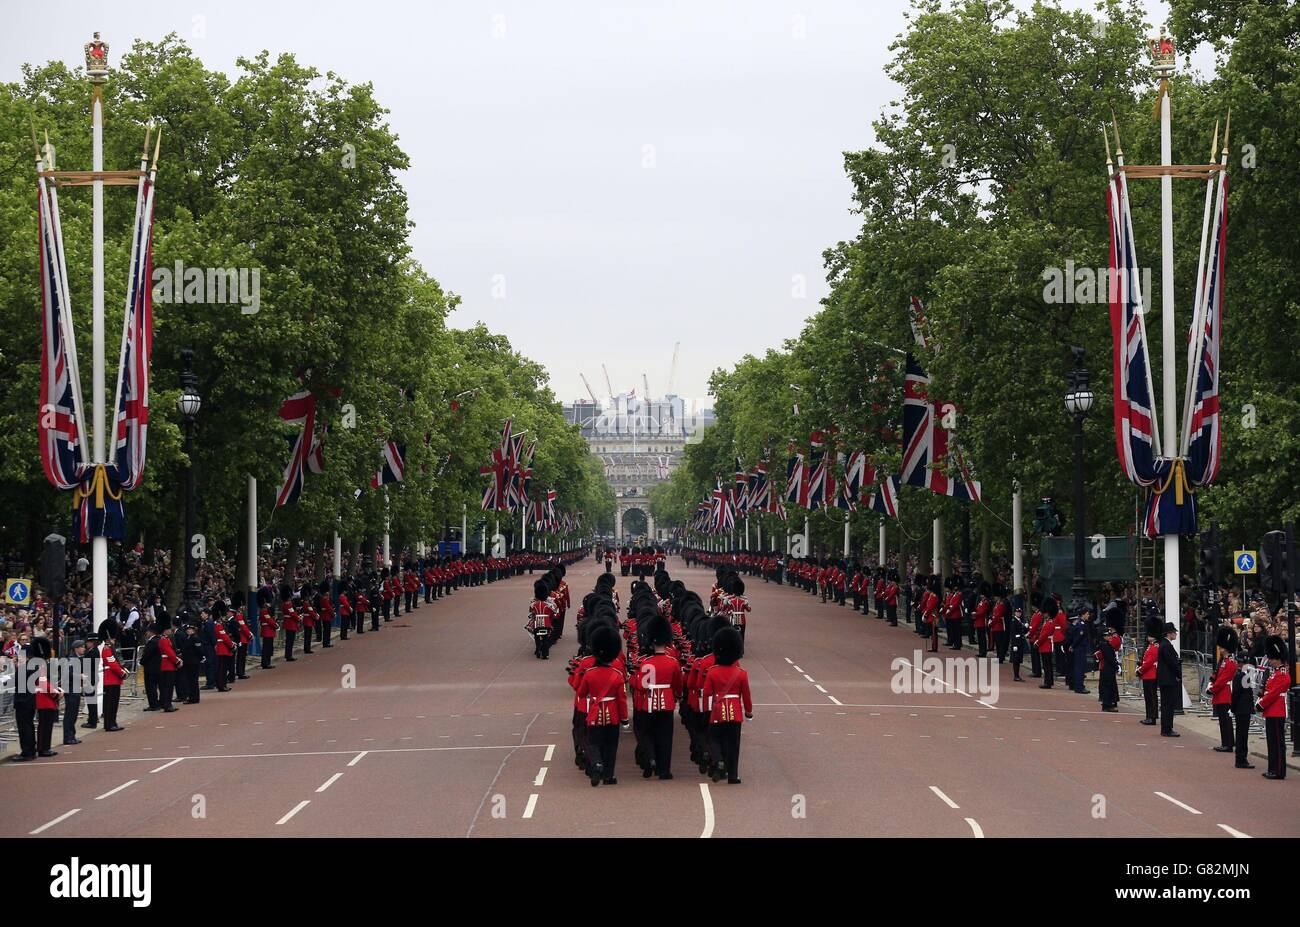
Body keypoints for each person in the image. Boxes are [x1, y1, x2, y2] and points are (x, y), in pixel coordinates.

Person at [577, 625, 627, 786]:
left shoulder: (590, 673)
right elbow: (621, 700)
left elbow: (581, 693)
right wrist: (624, 719)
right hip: (612, 714)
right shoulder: (617, 675)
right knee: (611, 745)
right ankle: (608, 776)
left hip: (594, 714)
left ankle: (597, 764)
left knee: (594, 743)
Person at [704, 626, 752, 784]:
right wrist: (749, 713)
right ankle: (733, 775)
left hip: (718, 712)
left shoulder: (712, 671)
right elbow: (746, 696)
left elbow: (707, 693)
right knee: (733, 745)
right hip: (735, 713)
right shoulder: (741, 673)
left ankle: (718, 761)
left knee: (714, 739)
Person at [639, 616, 684, 780]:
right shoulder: (672, 662)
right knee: (665, 737)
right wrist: (679, 696)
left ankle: (651, 758)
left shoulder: (646, 662)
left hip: (649, 703)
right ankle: (664, 770)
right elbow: (678, 684)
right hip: (666, 703)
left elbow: (643, 686)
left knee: (648, 733)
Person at [1258, 635, 1291, 780]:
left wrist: (1261, 703)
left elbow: (1273, 694)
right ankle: (1272, 768)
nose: (1270, 660)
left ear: (1277, 657)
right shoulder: (1275, 672)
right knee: (1272, 742)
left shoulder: (1283, 673)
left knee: (1277, 742)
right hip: (1271, 710)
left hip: (1277, 710)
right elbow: (1268, 690)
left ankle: (1279, 771)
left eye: (1272, 658)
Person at [1206, 627, 1238, 753]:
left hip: (1225, 694)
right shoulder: (1223, 660)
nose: (1219, 647)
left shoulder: (1229, 662)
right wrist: (1211, 682)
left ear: (1225, 647)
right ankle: (1226, 742)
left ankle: (1228, 744)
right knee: (1223, 720)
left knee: (1225, 720)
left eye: (1221, 646)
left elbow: (1223, 680)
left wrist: (1212, 689)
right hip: (1221, 693)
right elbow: (1217, 675)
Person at [1156, 622, 1181, 737]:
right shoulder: (1166, 645)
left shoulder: (1164, 644)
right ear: (1169, 633)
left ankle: (1166, 728)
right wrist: (1178, 673)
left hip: (1165, 678)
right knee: (1168, 705)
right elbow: (1172, 663)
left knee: (1167, 704)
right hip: (1168, 679)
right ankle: (1167, 728)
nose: (1175, 634)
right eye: (1174, 632)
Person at [62, 638, 87, 745]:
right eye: (82, 647)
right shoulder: (72, 659)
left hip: (74, 688)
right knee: (70, 714)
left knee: (73, 713)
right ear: (76, 648)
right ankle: (68, 736)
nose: (84, 649)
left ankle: (71, 735)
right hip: (71, 689)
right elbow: (69, 673)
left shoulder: (76, 658)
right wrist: (80, 676)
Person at [1137, 622, 1160, 725]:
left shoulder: (1154, 647)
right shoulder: (1151, 646)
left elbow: (1149, 662)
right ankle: (1150, 716)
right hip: (1148, 675)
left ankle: (1152, 717)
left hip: (1151, 675)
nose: (1147, 637)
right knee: (1149, 697)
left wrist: (1140, 670)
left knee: (1151, 697)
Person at [179, 623, 204, 704]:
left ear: (193, 630)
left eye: (190, 629)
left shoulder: (195, 638)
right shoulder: (188, 638)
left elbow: (199, 650)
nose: (188, 631)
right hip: (188, 662)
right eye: (188, 630)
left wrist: (199, 659)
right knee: (190, 680)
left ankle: (194, 698)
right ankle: (192, 697)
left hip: (193, 662)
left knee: (193, 681)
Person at [140, 624, 162, 710]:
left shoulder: (152, 641)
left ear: (151, 632)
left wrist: (141, 662)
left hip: (151, 668)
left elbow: (147, 655)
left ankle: (154, 704)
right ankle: (160, 702)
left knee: (151, 688)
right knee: (160, 686)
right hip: (158, 667)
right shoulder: (159, 640)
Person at [158, 626, 180, 712]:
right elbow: (169, 653)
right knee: (168, 686)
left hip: (168, 663)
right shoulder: (164, 639)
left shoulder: (166, 639)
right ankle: (167, 705)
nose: (170, 631)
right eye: (169, 629)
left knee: (168, 686)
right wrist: (177, 661)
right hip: (168, 664)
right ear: (165, 630)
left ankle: (167, 704)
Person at [1007, 606, 1027, 682]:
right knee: (1016, 660)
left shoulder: (1019, 621)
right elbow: (1013, 633)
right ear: (1015, 613)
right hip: (1016, 643)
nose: (1018, 613)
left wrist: (1026, 627)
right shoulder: (1013, 620)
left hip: (1020, 642)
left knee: (1018, 659)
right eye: (1017, 612)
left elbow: (1022, 631)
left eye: (1019, 612)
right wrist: (1014, 644)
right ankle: (1016, 676)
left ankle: (1017, 675)